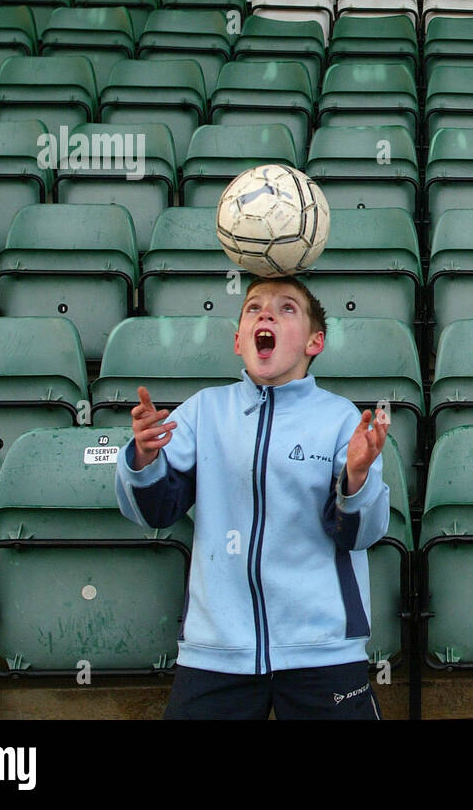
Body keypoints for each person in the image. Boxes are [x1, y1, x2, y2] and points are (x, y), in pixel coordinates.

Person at [114, 274, 391, 719]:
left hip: (322, 649)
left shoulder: (342, 420)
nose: (267, 315)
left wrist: (356, 477)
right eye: (254, 308)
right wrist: (145, 458)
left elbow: (360, 535)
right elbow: (156, 511)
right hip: (217, 650)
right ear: (238, 339)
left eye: (287, 308)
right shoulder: (203, 411)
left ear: (315, 342)